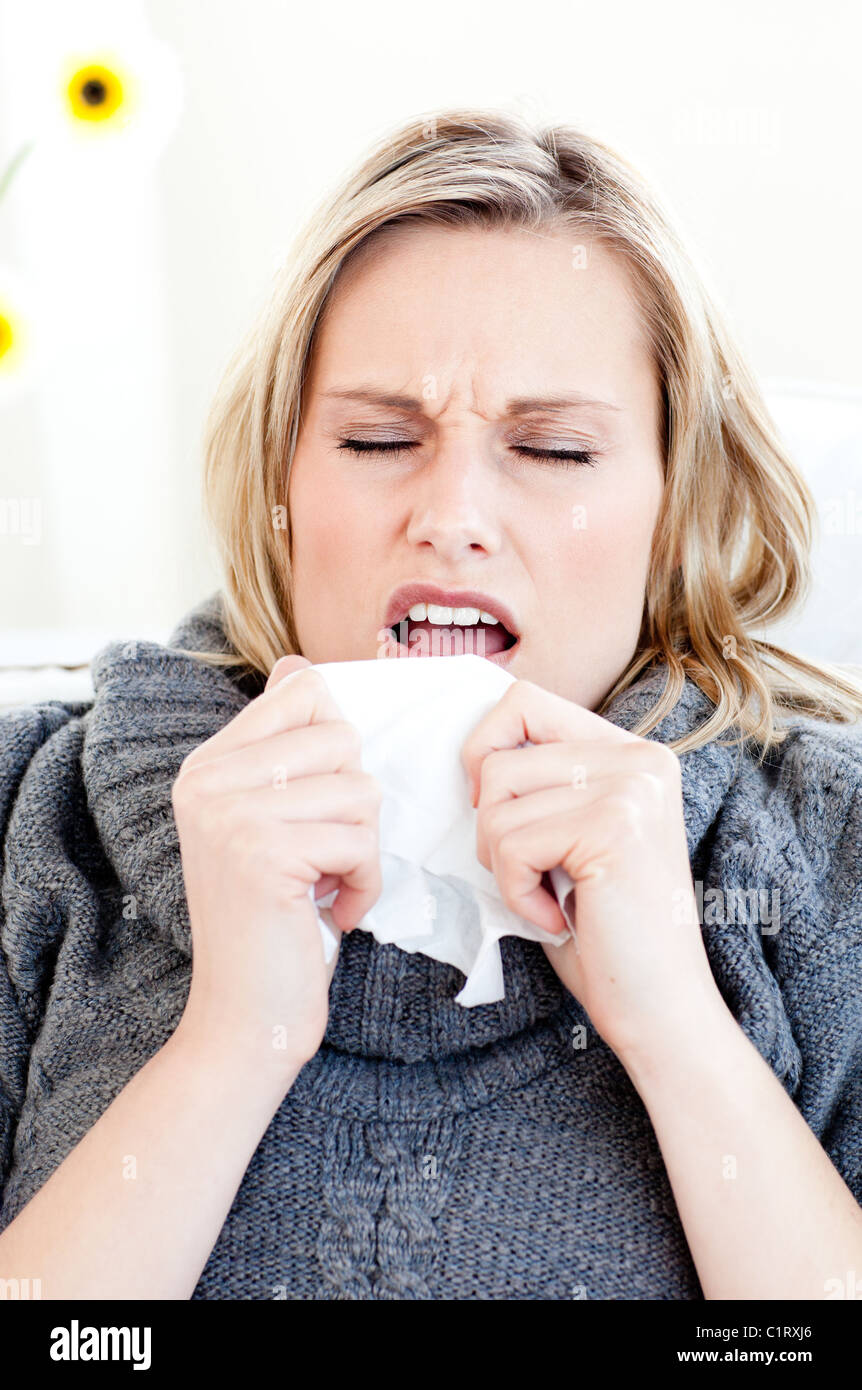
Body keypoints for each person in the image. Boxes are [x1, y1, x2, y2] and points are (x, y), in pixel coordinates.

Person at [1, 107, 861, 1302]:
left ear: (673, 504)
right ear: (280, 476)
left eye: (555, 450)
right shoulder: (25, 817)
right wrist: (233, 1037)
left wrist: (675, 1026)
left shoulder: (829, 843)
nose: (451, 513)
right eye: (373, 438)